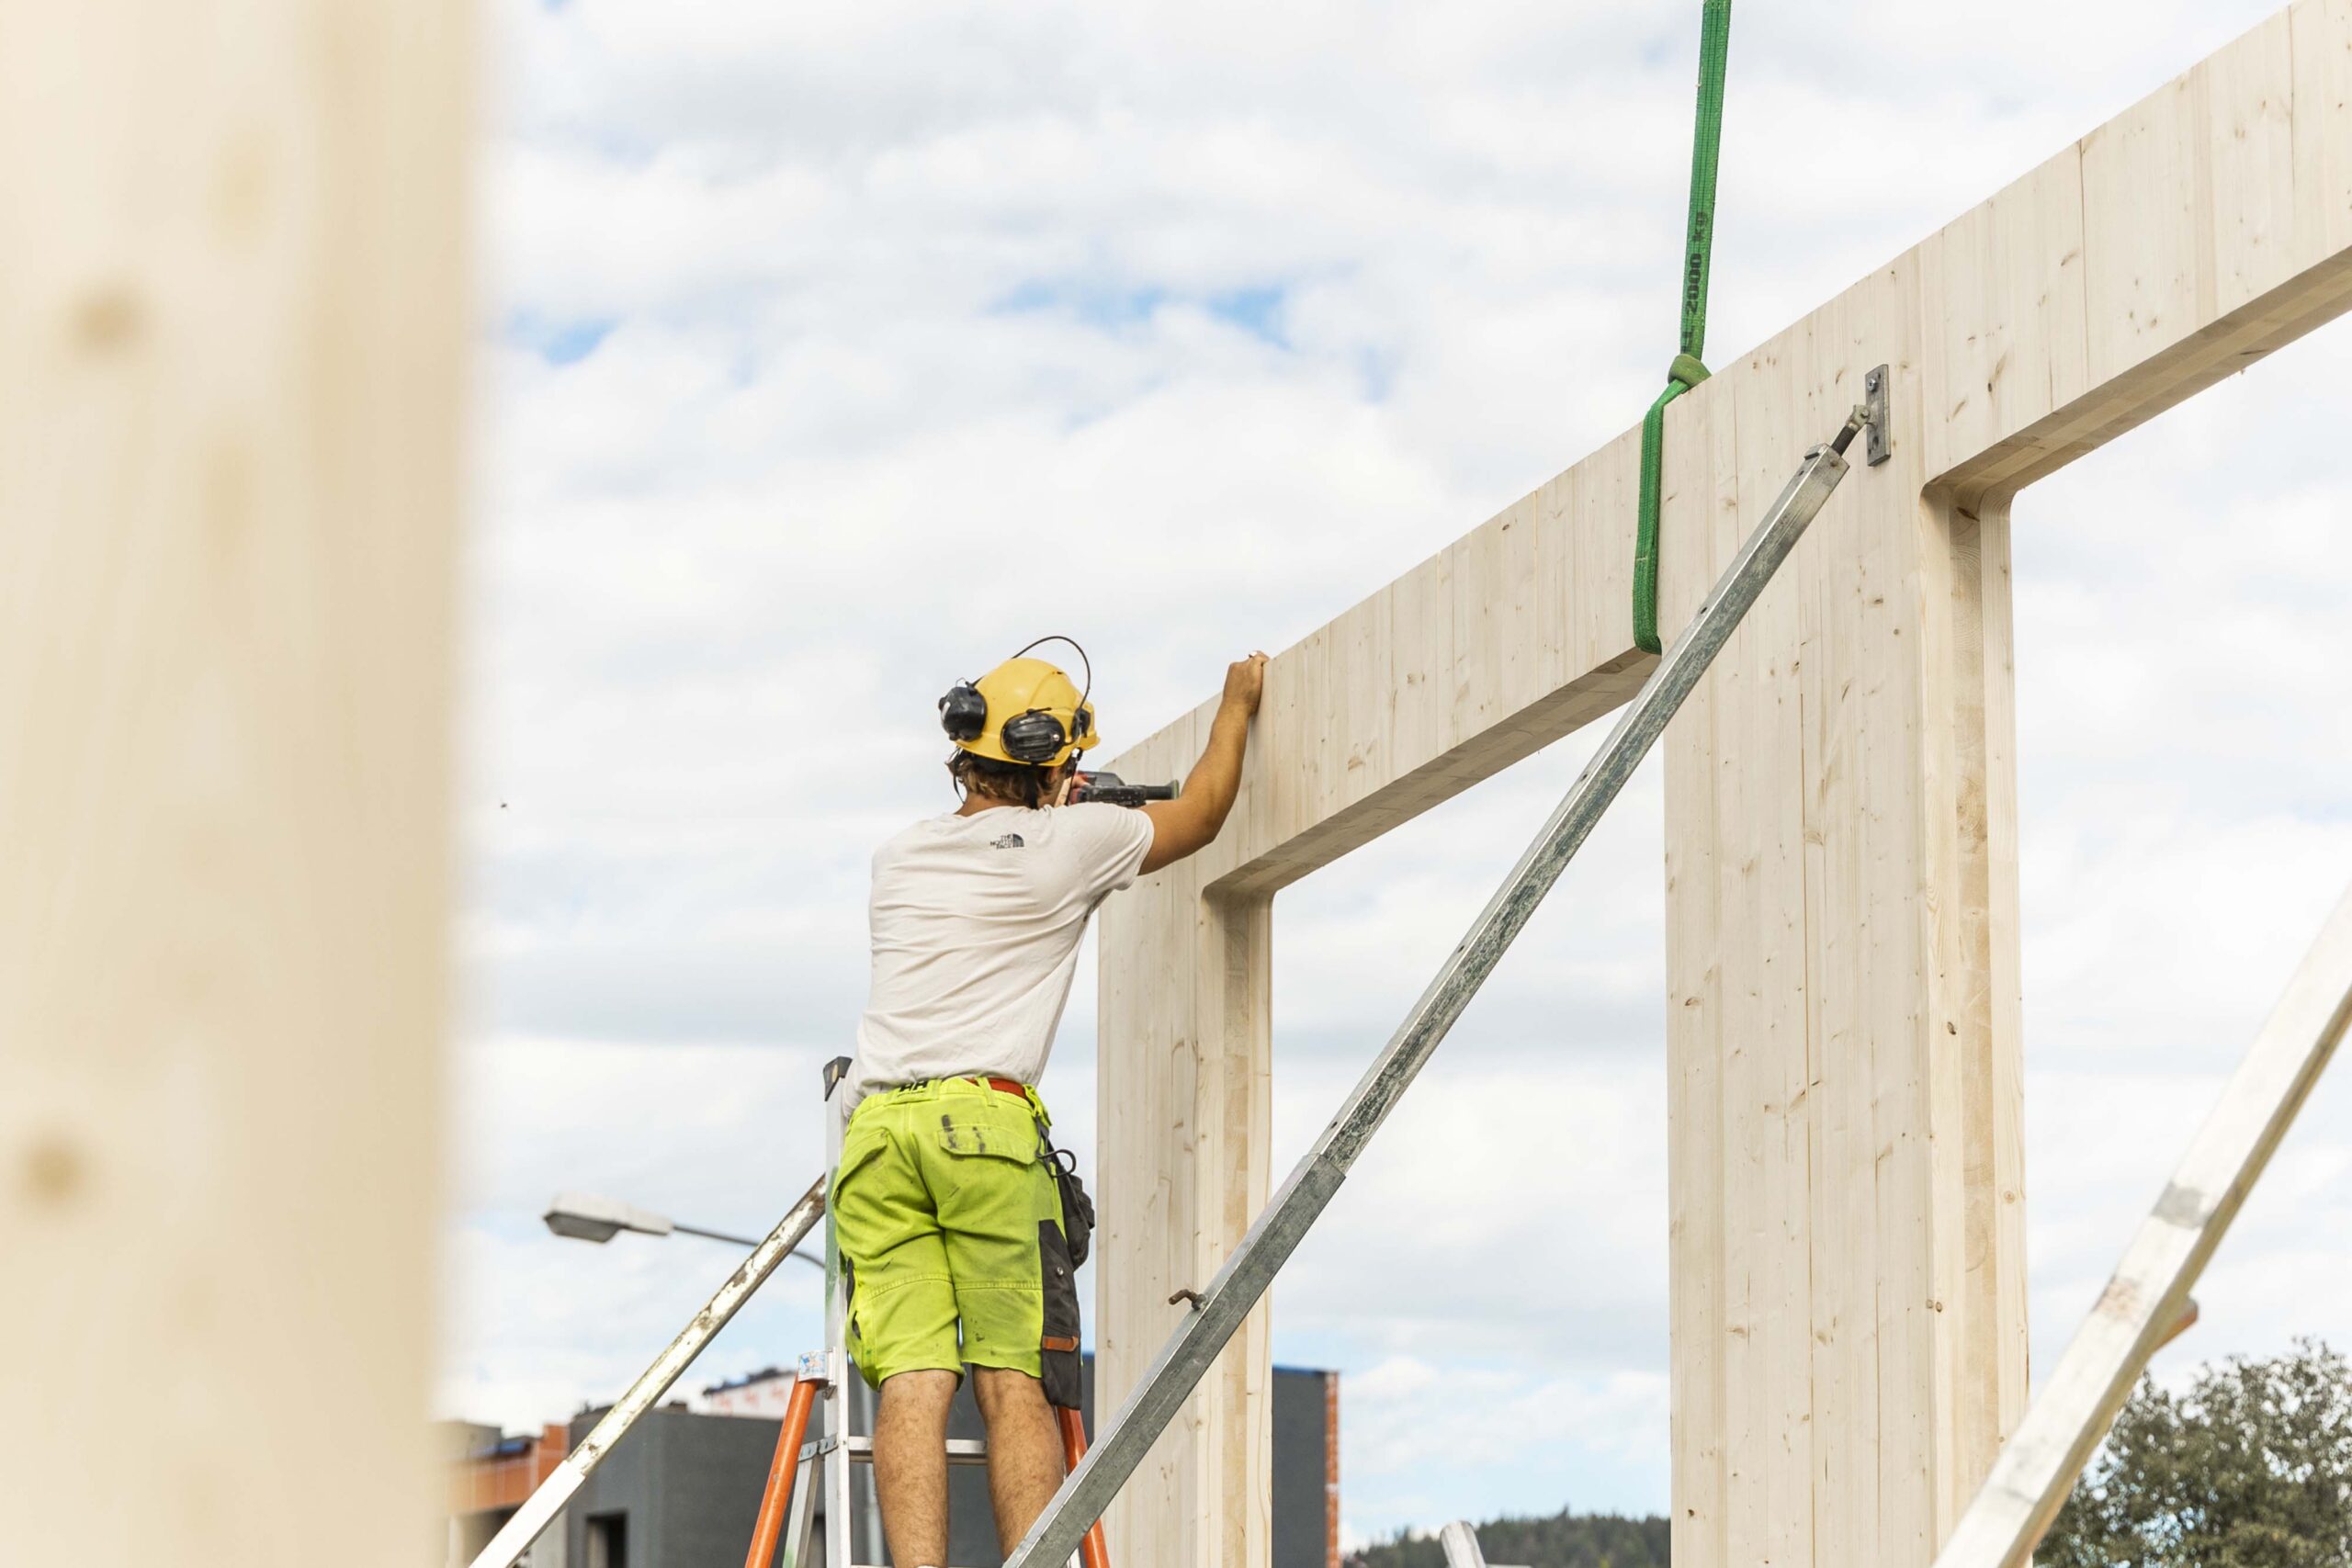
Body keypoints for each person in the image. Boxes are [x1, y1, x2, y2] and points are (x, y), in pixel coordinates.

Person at [832, 640, 1268, 1566]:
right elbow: (1200, 812)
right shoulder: (1076, 843)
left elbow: (1003, 853)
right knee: (1013, 1377)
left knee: (912, 1375)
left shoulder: (899, 856)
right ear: (1055, 764)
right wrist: (1234, 704)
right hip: (981, 1131)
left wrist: (1060, 801)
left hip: (875, 1134)